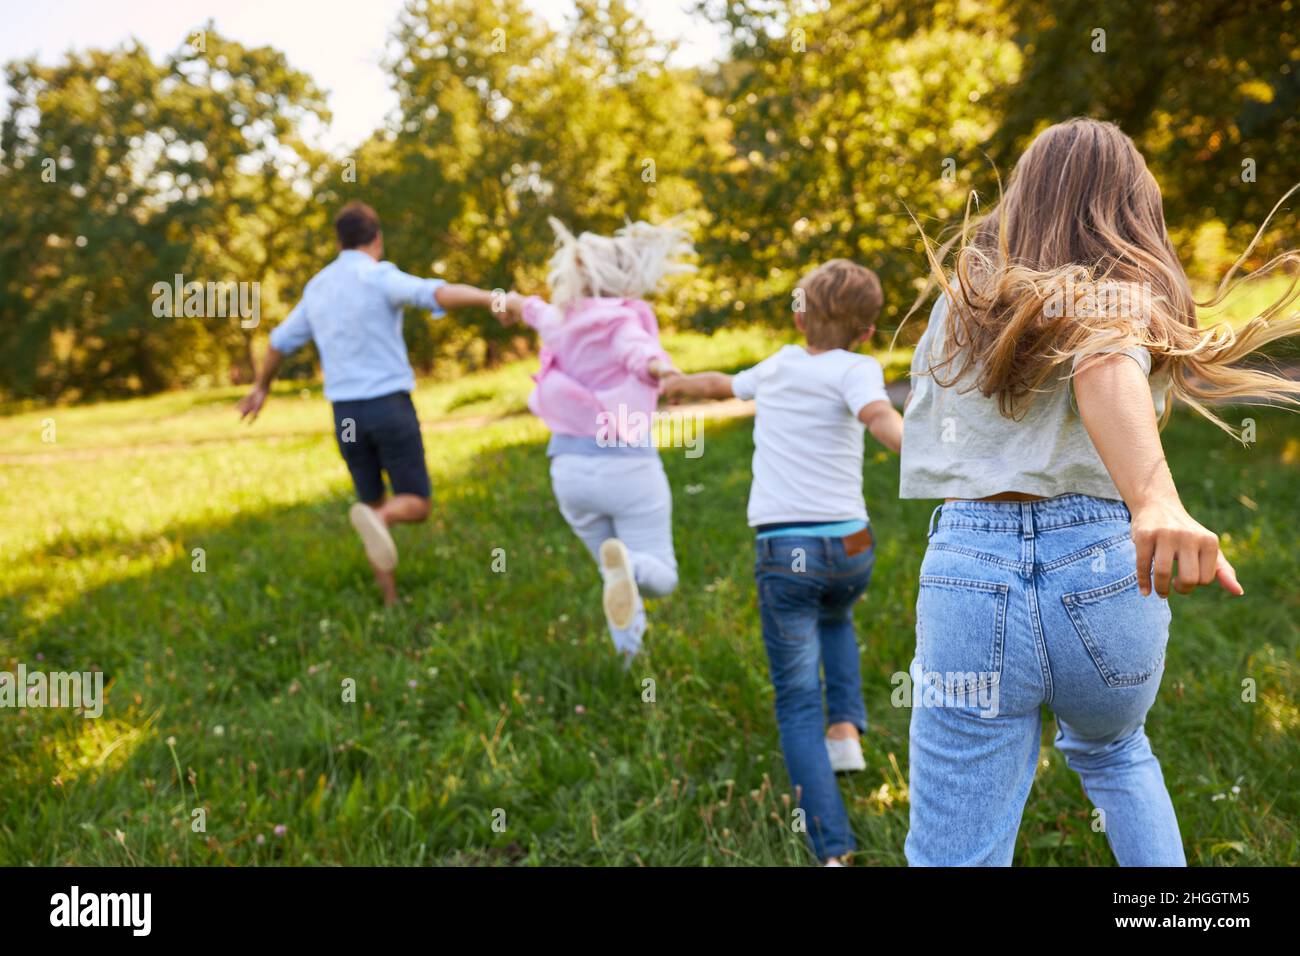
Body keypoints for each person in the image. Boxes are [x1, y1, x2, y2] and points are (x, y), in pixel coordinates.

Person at [899, 117, 1300, 865]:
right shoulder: (1126, 296)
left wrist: (1157, 500)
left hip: (970, 570)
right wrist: (1150, 502)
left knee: (954, 844)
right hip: (1105, 569)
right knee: (1117, 756)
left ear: (1023, 197)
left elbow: (1100, 362)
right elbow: (1106, 359)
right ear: (1130, 204)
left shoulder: (963, 302)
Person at [663, 259, 904, 864]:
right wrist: (924, 451)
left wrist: (676, 380)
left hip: (785, 552)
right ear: (868, 332)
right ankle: (846, 734)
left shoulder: (776, 366)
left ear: (799, 317)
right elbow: (878, 416)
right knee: (837, 617)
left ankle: (832, 848)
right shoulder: (860, 367)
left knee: (796, 699)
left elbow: (722, 384)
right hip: (851, 548)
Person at [237, 201, 510, 604]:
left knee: (369, 501)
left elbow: (278, 343)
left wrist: (262, 387)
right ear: (377, 238)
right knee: (415, 504)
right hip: (388, 407)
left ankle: (390, 598)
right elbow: (433, 292)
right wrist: (493, 298)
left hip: (345, 414)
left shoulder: (319, 286)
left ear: (338, 241)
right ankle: (381, 521)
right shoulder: (379, 276)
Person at [491, 217, 694, 663]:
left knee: (611, 573)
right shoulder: (619, 321)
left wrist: (505, 302)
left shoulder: (560, 320)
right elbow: (640, 354)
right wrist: (667, 372)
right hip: (627, 469)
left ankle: (630, 662)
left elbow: (529, 308)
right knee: (660, 575)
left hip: (569, 472)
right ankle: (634, 567)